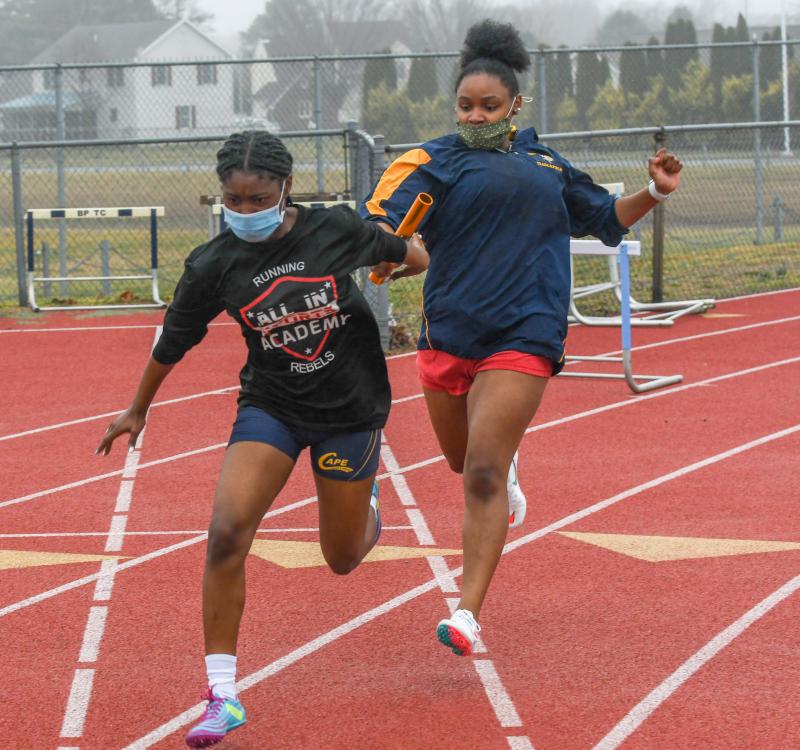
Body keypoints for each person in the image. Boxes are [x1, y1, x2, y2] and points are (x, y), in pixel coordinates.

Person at [96, 130, 428, 748]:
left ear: (286, 189)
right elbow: (173, 341)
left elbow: (413, 255)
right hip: (271, 407)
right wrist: (137, 408)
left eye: (258, 198)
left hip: (349, 410)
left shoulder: (333, 230)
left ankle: (368, 509)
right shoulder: (214, 264)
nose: (245, 210)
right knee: (225, 532)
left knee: (343, 558)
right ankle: (222, 693)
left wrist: (400, 260)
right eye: (234, 199)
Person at [361, 20, 682, 657]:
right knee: (463, 464)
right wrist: (387, 250)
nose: (475, 115)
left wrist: (652, 191)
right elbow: (381, 217)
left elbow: (602, 218)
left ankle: (467, 613)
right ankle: (505, 467)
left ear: (515, 105)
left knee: (480, 470)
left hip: (526, 330)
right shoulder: (433, 161)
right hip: (450, 330)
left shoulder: (545, 163)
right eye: (464, 105)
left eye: (488, 105)